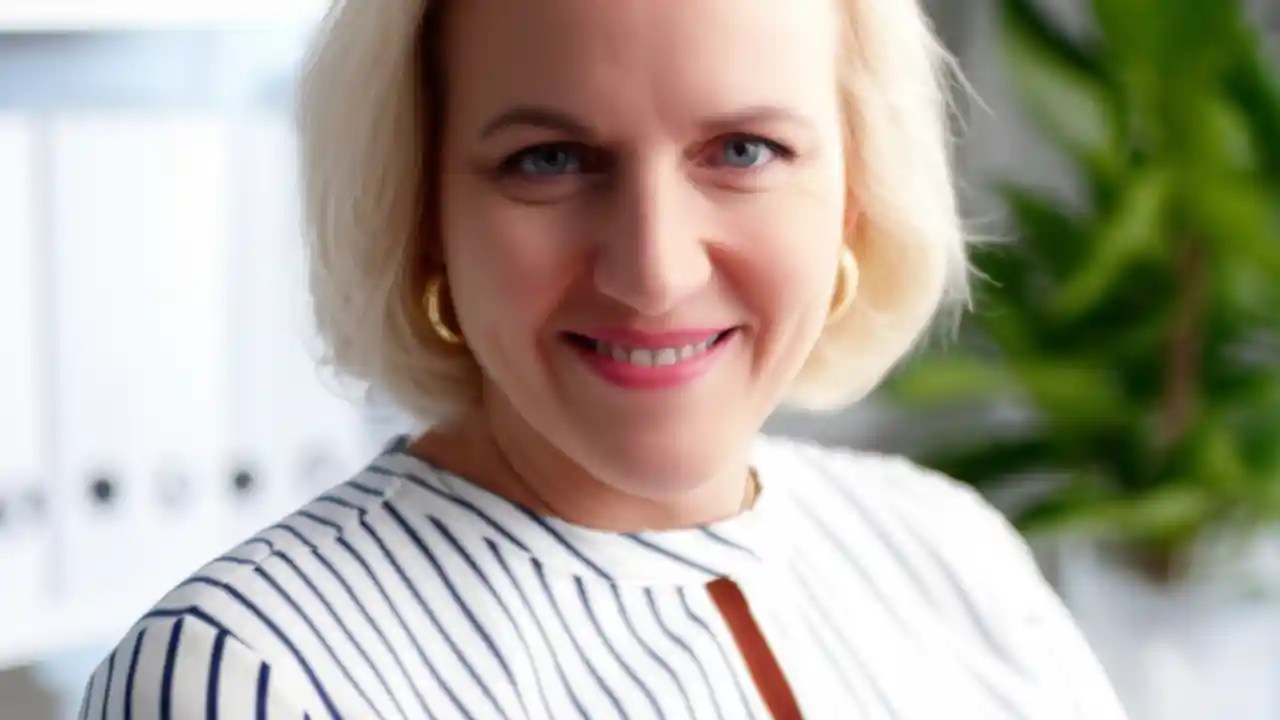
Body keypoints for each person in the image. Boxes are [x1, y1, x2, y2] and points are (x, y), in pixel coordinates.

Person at [80, 0, 1128, 717]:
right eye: (549, 160)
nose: (652, 270)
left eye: (743, 152)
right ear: (423, 210)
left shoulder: (948, 550)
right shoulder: (253, 675)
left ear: (851, 194)